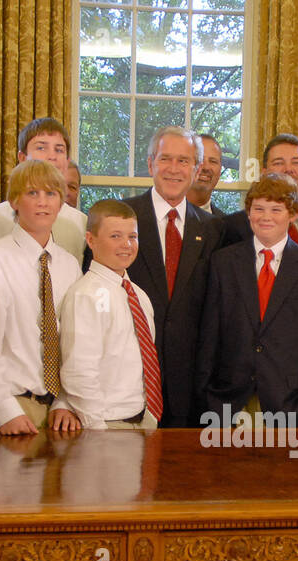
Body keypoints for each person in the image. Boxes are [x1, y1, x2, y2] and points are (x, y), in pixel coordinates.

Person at [197, 173, 298, 423]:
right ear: (248, 213)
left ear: (293, 214)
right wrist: (208, 397)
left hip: (293, 405)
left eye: (276, 209)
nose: (265, 217)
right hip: (230, 404)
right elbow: (210, 336)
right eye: (258, 208)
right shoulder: (224, 262)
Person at [115, 126, 220, 426]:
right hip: (130, 381)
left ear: (197, 168)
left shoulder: (214, 230)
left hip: (194, 388)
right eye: (165, 159)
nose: (174, 169)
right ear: (150, 164)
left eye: (184, 161)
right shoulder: (121, 218)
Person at [0, 159, 82, 435]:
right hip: (13, 406)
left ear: (61, 203)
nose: (43, 202)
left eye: (51, 194)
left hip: (61, 410)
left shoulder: (70, 266)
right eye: (32, 193)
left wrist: (66, 400)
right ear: (14, 201)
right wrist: (5, 408)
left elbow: (74, 343)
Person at [55, 200, 162, 430]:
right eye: (115, 236)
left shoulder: (139, 295)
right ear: (91, 240)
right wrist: (97, 430)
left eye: (132, 237)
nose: (126, 244)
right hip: (104, 425)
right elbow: (79, 371)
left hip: (141, 419)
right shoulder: (87, 295)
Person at [0, 117, 87, 258]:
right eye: (41, 148)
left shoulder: (81, 223)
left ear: (67, 161)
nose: (51, 156)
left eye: (59, 150)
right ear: (22, 158)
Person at [220, 134, 298, 256]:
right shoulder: (231, 227)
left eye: (296, 162)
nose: (288, 169)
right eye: (278, 163)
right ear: (264, 173)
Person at [188, 133, 224, 215]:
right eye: (199, 160)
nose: (206, 167)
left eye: (213, 161)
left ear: (220, 170)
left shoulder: (226, 225)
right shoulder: (164, 216)